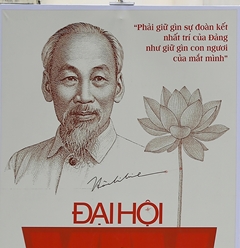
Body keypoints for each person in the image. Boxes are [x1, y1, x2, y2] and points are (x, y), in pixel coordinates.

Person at [7, 22, 166, 192]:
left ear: (118, 87)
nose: (84, 97)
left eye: (98, 78)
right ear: (47, 86)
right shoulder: (19, 165)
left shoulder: (151, 168)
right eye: (70, 78)